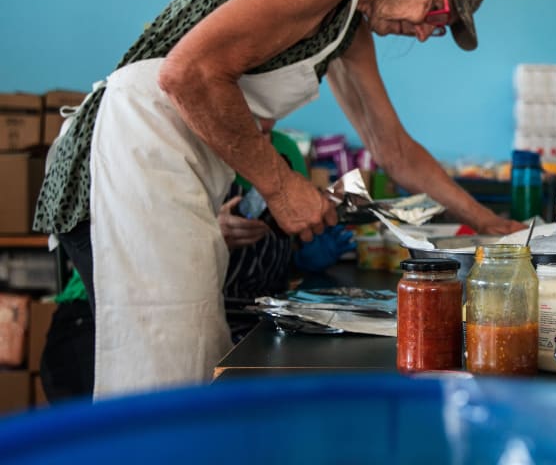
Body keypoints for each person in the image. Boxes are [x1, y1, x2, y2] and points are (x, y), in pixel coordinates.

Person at [33, 0, 524, 399]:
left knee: (190, 355)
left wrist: (485, 220)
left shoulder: (349, 27)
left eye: (439, 29)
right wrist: (282, 187)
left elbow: (392, 147)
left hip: (170, 160)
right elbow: (188, 74)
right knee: (163, 364)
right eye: (438, 8)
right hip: (133, 147)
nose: (426, 31)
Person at [40, 129, 355, 402]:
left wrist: (300, 257)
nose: (265, 122)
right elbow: (132, 245)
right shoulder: (179, 143)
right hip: (107, 318)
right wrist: (201, 235)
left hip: (233, 325)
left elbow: (274, 250)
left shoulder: (284, 149)